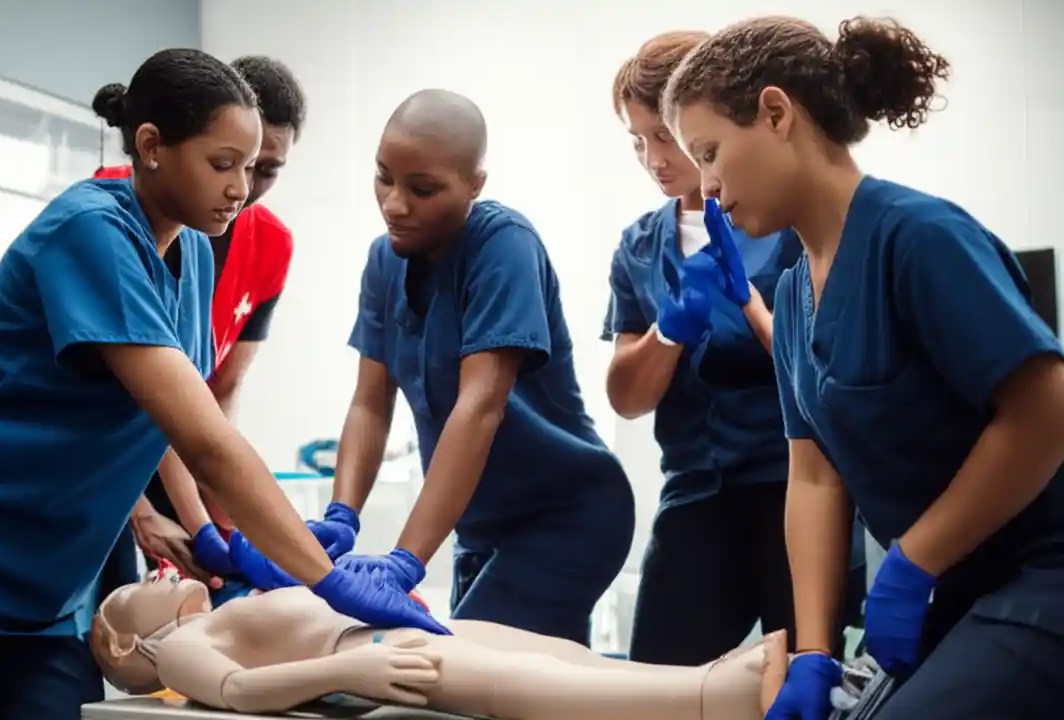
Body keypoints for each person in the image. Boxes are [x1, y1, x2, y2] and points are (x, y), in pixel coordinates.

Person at [0, 49, 446, 720]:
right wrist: (328, 578)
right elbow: (209, 445)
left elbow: (172, 417)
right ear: (151, 146)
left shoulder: (191, 250)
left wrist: (216, 536)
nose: (240, 189)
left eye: (253, 167)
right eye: (223, 164)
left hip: (39, 589)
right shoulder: (91, 232)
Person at [664, 15, 1064, 719]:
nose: (708, 188)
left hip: (1042, 578)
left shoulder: (919, 238)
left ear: (776, 113)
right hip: (959, 593)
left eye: (710, 152)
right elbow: (814, 476)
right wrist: (814, 651)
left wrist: (915, 561)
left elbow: (1047, 411)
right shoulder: (794, 296)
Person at [235, 89, 636, 646]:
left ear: (475, 184)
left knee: (467, 668)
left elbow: (480, 408)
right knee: (510, 679)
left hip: (567, 514)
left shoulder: (504, 246)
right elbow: (370, 403)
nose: (394, 204)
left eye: (422, 190)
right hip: (480, 525)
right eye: (383, 177)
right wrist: (342, 515)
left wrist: (405, 560)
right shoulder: (385, 259)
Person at [604, 32, 864, 665]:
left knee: (805, 669)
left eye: (664, 136)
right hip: (696, 493)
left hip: (795, 485)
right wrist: (669, 330)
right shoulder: (640, 246)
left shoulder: (787, 222)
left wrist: (748, 303)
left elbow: (828, 373)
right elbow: (627, 398)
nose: (652, 159)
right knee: (657, 681)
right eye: (636, 142)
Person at [96, 55, 308, 606]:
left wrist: (222, 520)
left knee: (218, 599)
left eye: (265, 169)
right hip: (104, 458)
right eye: (228, 163)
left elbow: (218, 392)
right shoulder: (112, 218)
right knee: (116, 615)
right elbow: (152, 398)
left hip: (186, 450)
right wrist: (146, 512)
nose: (245, 187)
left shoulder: (254, 244)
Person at [92, 565, 792, 720]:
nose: (155, 572)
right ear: (125, 645)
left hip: (386, 631)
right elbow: (238, 690)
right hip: (368, 652)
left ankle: (701, 676)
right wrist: (349, 672)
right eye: (133, 589)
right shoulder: (177, 648)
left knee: (561, 655)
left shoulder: (224, 610)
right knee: (511, 682)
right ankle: (711, 697)